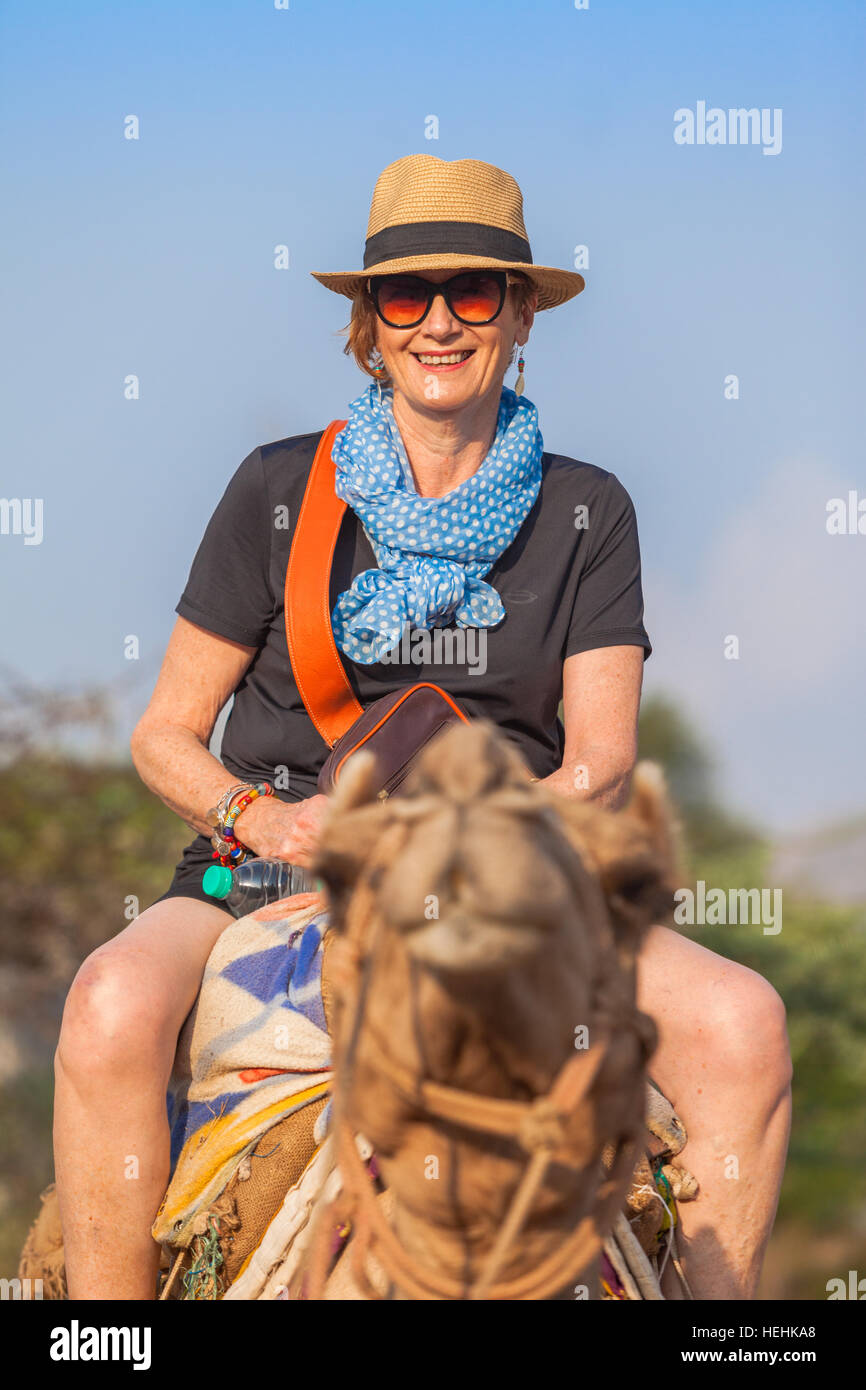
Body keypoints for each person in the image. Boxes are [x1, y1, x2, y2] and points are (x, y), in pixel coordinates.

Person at [53, 155, 791, 1300]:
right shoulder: (275, 489)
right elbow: (165, 736)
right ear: (368, 324)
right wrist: (265, 819)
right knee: (107, 1007)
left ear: (520, 312)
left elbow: (594, 766)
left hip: (509, 879)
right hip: (262, 873)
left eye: (473, 292)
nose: (438, 322)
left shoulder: (589, 507)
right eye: (405, 295)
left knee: (743, 1021)